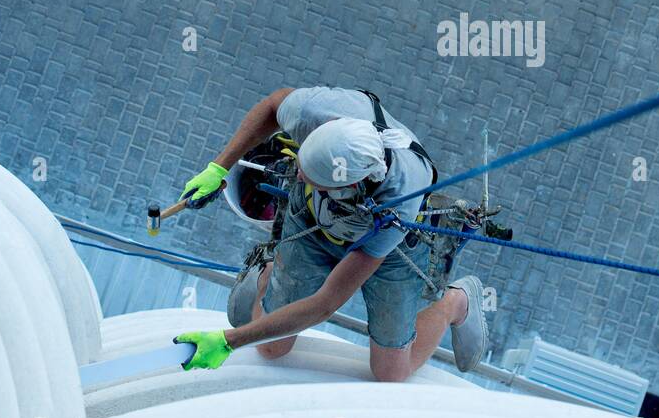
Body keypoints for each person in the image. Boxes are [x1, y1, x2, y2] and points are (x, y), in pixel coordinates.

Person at [171, 86, 488, 381]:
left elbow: (326, 302)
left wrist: (230, 341)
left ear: (351, 185)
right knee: (270, 348)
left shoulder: (400, 198)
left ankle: (454, 302)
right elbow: (273, 105)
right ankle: (269, 271)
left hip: (390, 249)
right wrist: (218, 168)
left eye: (312, 176)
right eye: (302, 164)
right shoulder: (318, 111)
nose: (297, 173)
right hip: (312, 212)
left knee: (391, 373)